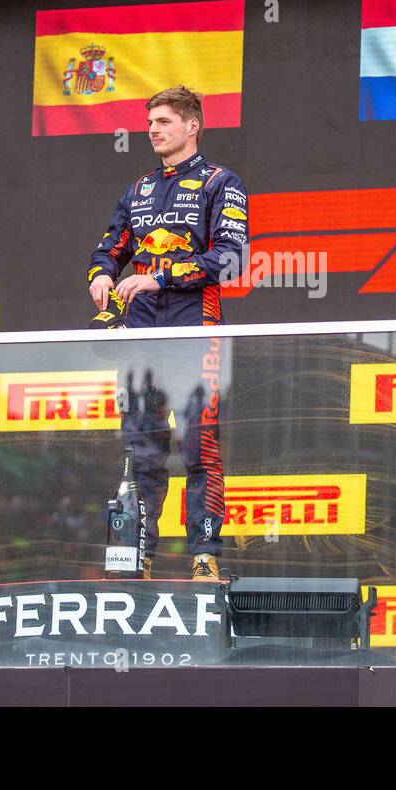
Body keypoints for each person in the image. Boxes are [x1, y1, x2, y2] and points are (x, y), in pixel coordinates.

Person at [87, 86, 249, 581]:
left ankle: (205, 555)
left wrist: (159, 277)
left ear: (192, 125)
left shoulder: (222, 182)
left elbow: (232, 257)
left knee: (199, 447)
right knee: (143, 452)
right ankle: (139, 557)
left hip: (194, 330)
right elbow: (110, 246)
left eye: (163, 120)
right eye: (150, 121)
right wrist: (100, 274)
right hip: (140, 338)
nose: (152, 129)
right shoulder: (137, 190)